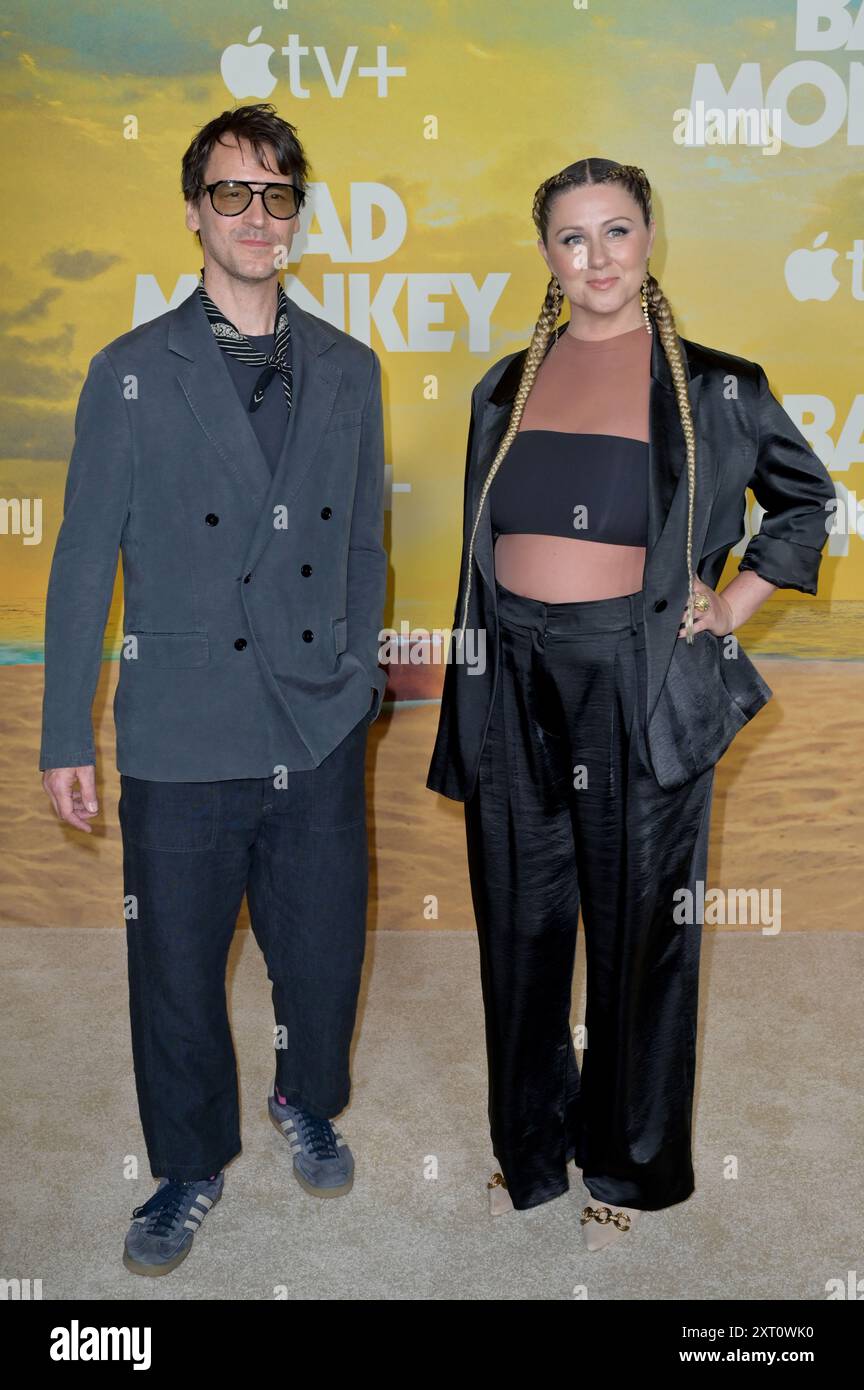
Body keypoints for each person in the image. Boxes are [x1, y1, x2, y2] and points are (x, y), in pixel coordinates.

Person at [426, 158, 836, 1251]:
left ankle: (631, 1159)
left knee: (639, 926)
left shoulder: (716, 385)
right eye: (572, 237)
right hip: (512, 670)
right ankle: (529, 1147)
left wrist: (733, 600)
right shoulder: (505, 385)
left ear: (649, 237)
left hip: (636, 676)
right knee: (518, 915)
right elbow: (480, 546)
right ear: (547, 254)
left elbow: (806, 501)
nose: (596, 257)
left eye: (616, 232)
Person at [38, 104, 388, 1277]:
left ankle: (305, 1094)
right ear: (195, 211)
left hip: (317, 714)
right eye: (232, 193)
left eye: (277, 194)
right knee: (177, 963)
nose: (255, 215)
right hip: (182, 720)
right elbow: (85, 557)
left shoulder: (348, 368)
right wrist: (61, 732)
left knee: (322, 947)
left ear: (298, 214)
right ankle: (189, 1161)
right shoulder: (131, 372)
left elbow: (362, 552)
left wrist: (359, 679)